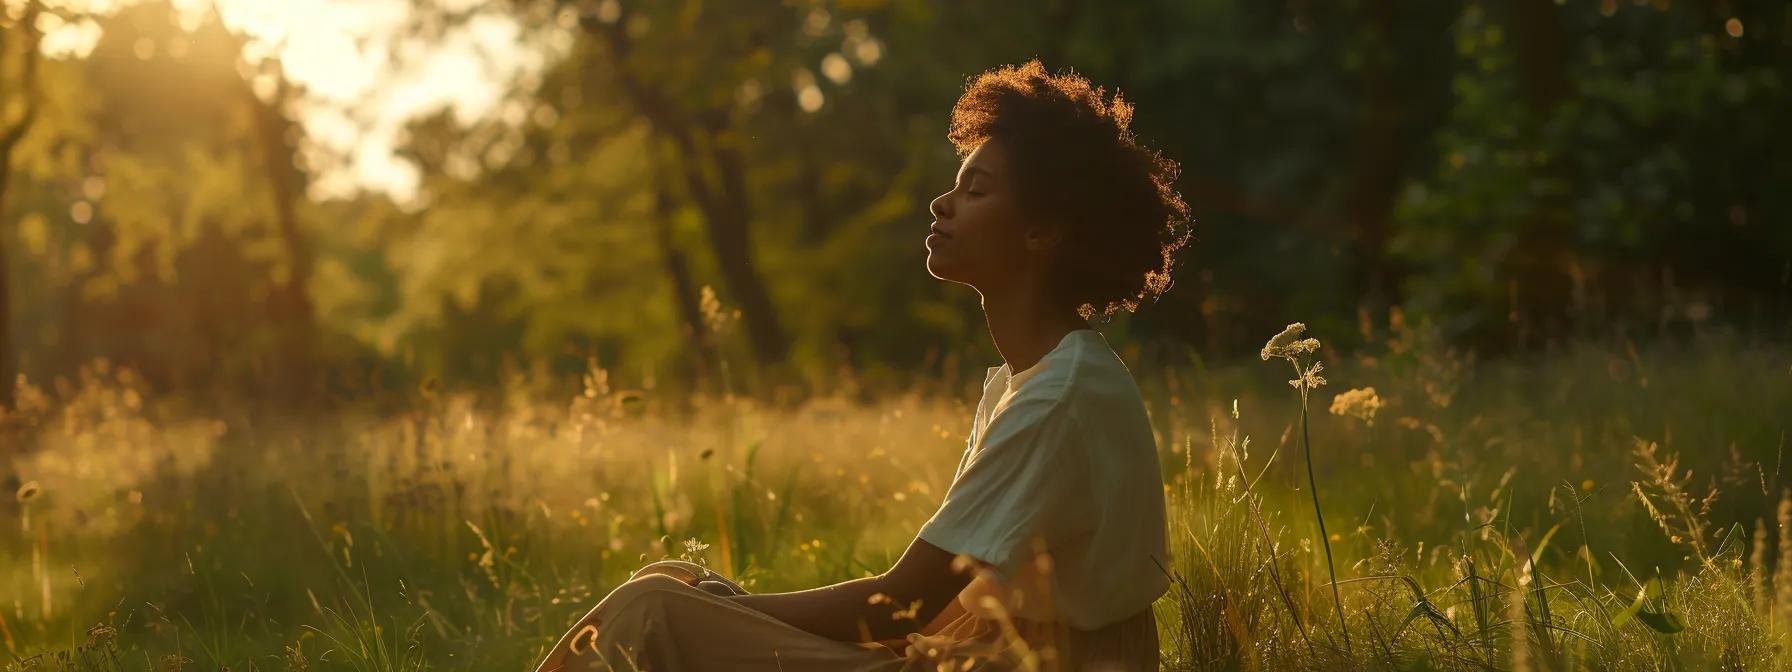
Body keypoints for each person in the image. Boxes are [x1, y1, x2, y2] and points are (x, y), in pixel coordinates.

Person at [533, 58, 1190, 672]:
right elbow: (932, 609)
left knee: (655, 610)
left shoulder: (1058, 396)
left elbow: (893, 604)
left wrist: (720, 614)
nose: (942, 203)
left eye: (976, 191)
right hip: (970, 651)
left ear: (1043, 231)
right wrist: (713, 606)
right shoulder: (1029, 381)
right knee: (667, 582)